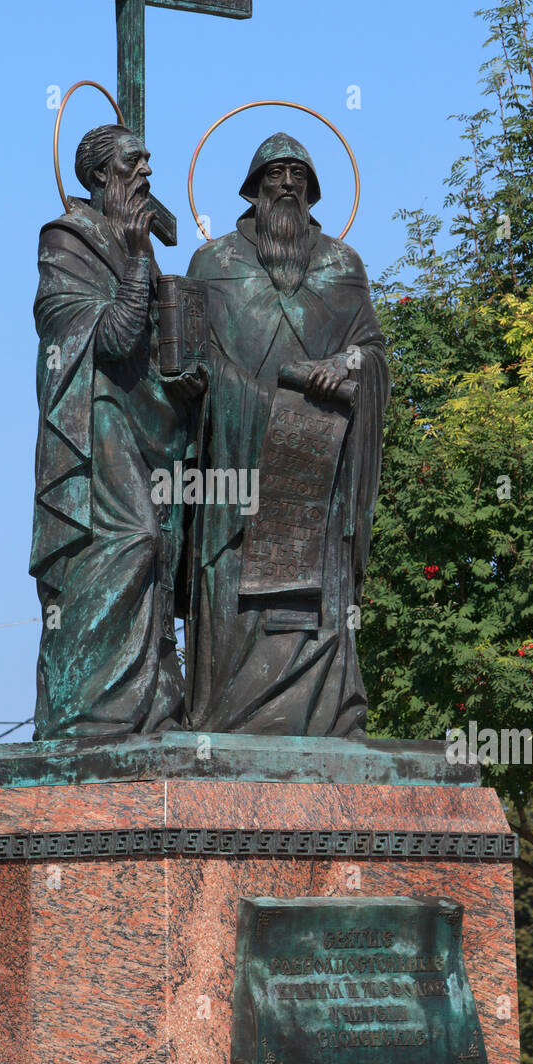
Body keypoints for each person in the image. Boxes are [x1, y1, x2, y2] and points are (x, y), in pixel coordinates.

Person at [185, 132, 389, 736]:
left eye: (299, 175)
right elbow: (190, 363)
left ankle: (325, 720)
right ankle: (226, 722)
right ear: (252, 189)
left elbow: (373, 353)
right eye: (275, 174)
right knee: (234, 595)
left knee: (317, 602)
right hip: (236, 474)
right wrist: (262, 405)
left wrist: (345, 365)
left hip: (317, 473)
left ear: (314, 190)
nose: (288, 184)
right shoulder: (212, 264)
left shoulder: (343, 266)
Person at [30, 124, 201, 737]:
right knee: (134, 542)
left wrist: (188, 378)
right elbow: (108, 338)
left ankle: (154, 704)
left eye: (149, 160)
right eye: (134, 161)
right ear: (101, 174)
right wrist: (135, 260)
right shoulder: (66, 240)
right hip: (95, 422)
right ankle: (89, 712)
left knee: (165, 554)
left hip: (154, 425)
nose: (147, 172)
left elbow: (155, 350)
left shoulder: (143, 245)